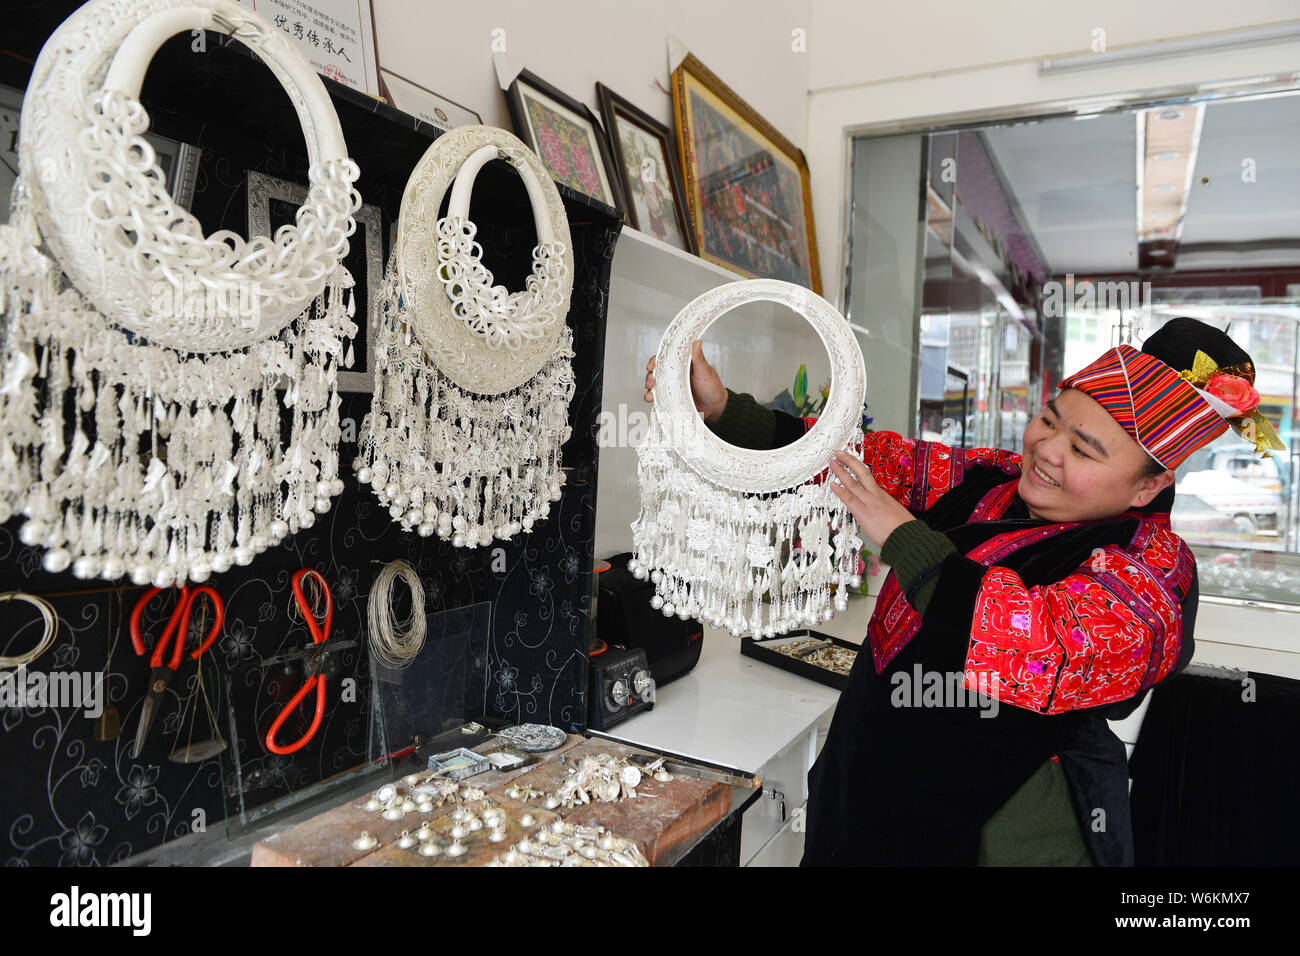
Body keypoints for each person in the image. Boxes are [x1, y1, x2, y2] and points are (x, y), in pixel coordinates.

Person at [643, 317, 1279, 865]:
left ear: (1147, 486)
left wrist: (905, 537)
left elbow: (1045, 644)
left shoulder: (1153, 570)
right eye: (1049, 420)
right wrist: (726, 410)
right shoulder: (993, 483)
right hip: (864, 795)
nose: (1047, 451)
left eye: (1083, 449)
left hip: (995, 835)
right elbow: (864, 464)